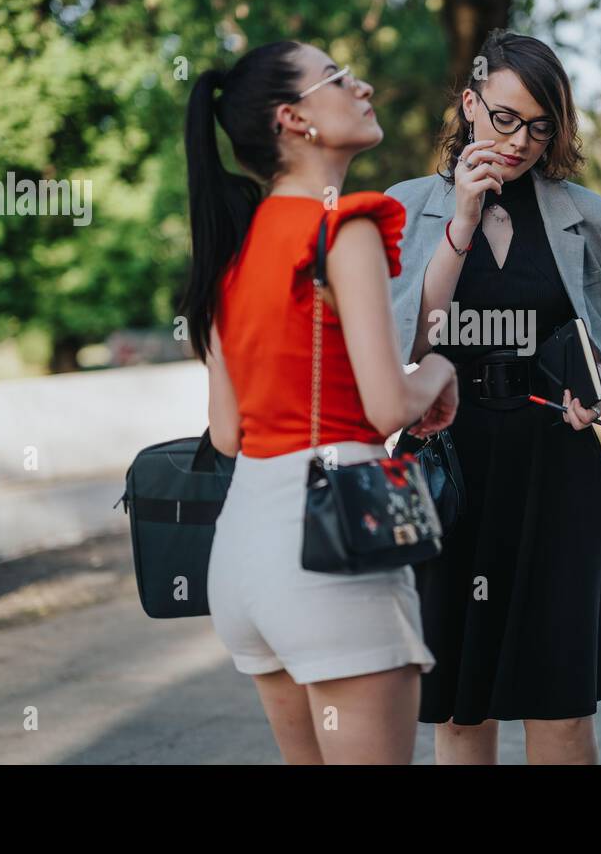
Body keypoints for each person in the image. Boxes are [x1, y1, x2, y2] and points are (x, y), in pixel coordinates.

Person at [387, 29, 601, 764]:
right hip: (447, 469)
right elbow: (402, 346)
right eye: (507, 118)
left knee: (561, 705)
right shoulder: (403, 208)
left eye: (541, 126)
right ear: (470, 104)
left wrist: (593, 391)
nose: (521, 141)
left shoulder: (589, 216)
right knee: (460, 709)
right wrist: (460, 221)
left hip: (558, 468)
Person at [180, 40, 459, 764]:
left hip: (243, 558)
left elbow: (228, 432)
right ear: (292, 119)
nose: (361, 85)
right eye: (339, 77)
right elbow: (390, 404)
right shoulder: (344, 227)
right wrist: (441, 370)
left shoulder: (232, 253)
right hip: (334, 552)